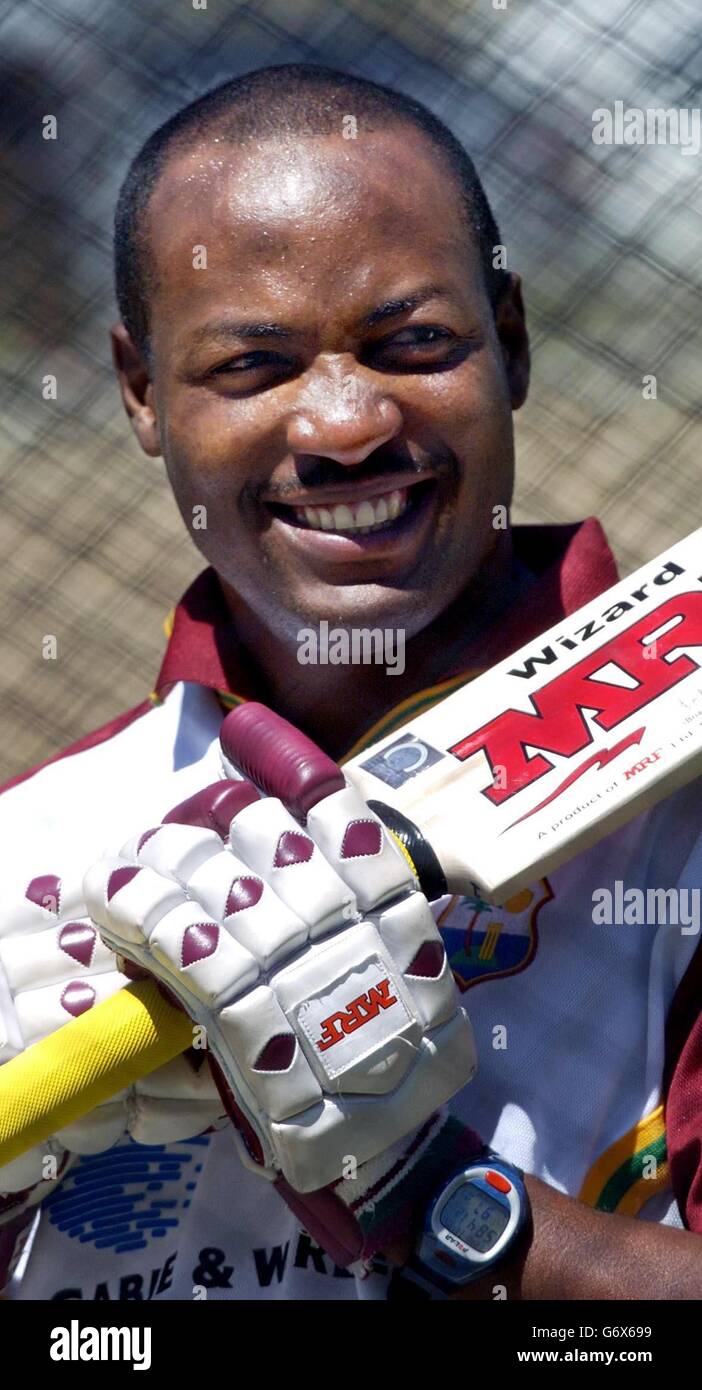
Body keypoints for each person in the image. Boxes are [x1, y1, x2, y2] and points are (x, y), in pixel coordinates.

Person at [1, 63, 701, 1302]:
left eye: (414, 342)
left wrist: (433, 1194)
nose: (341, 424)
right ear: (141, 392)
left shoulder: (682, 787)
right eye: (253, 366)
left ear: (512, 341)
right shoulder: (35, 854)